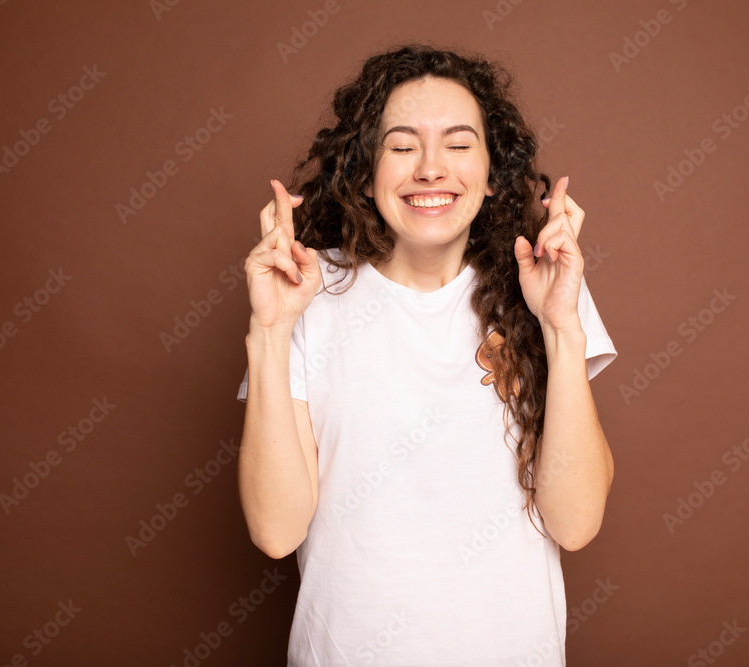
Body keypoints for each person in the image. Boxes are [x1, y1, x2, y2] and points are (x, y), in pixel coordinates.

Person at [236, 43, 617, 666]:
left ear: (492, 175)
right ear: (364, 172)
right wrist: (271, 331)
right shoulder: (306, 290)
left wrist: (561, 328)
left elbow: (575, 524)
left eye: (459, 145)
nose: (431, 169)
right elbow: (277, 532)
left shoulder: (540, 287)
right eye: (402, 146)